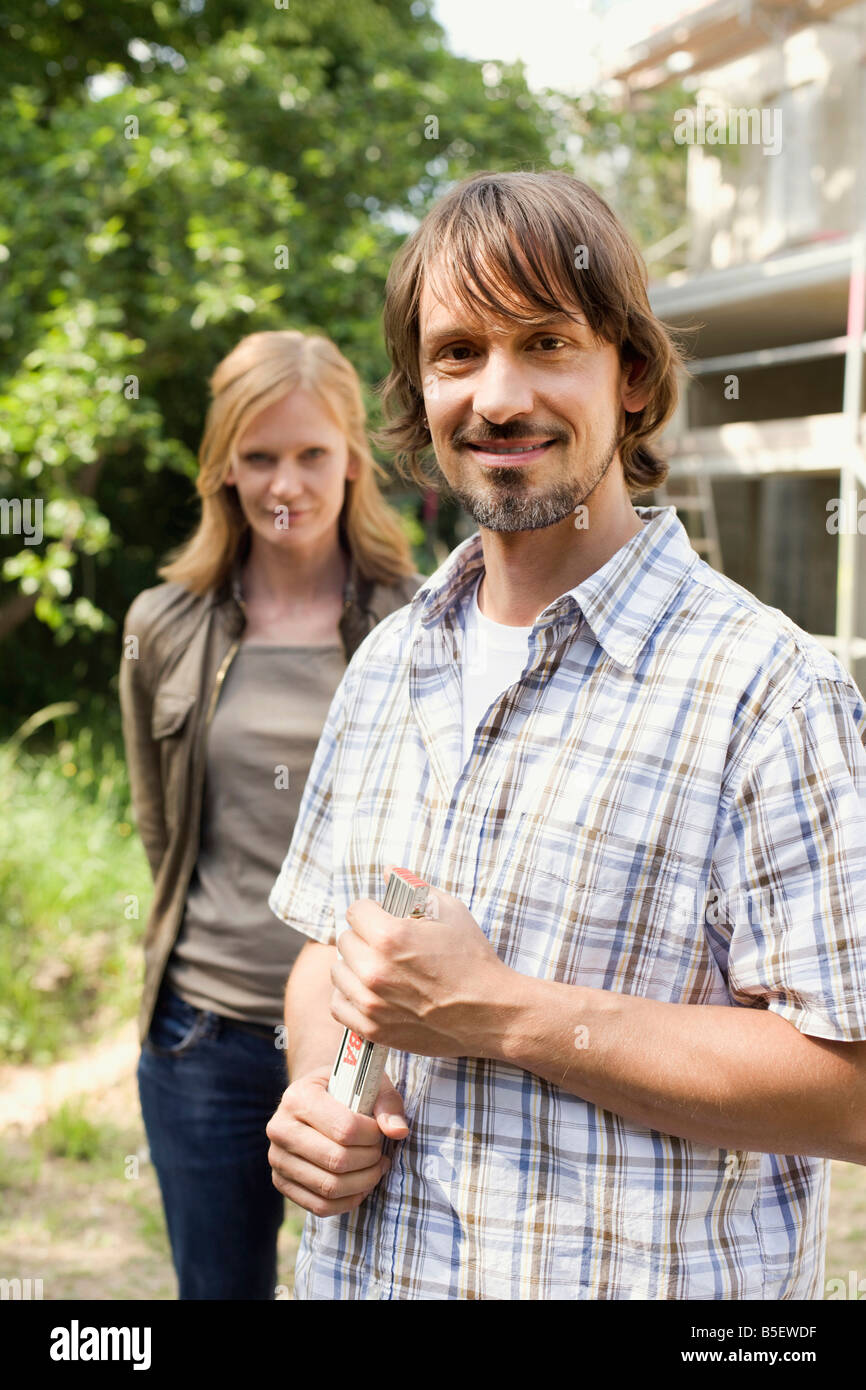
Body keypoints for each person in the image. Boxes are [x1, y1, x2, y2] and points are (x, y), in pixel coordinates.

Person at [264, 170, 866, 1301]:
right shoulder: (388, 664)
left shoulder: (768, 693)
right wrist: (320, 1088)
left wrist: (506, 1014)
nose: (496, 397)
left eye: (545, 343)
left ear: (630, 378)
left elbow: (853, 1087)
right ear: (418, 389)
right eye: (456, 353)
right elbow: (323, 956)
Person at [118, 328, 424, 1299]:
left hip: (371, 1040)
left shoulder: (419, 625)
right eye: (257, 456)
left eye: (309, 454)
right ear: (222, 468)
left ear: (351, 460)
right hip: (200, 1037)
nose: (284, 482)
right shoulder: (161, 626)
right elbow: (163, 830)